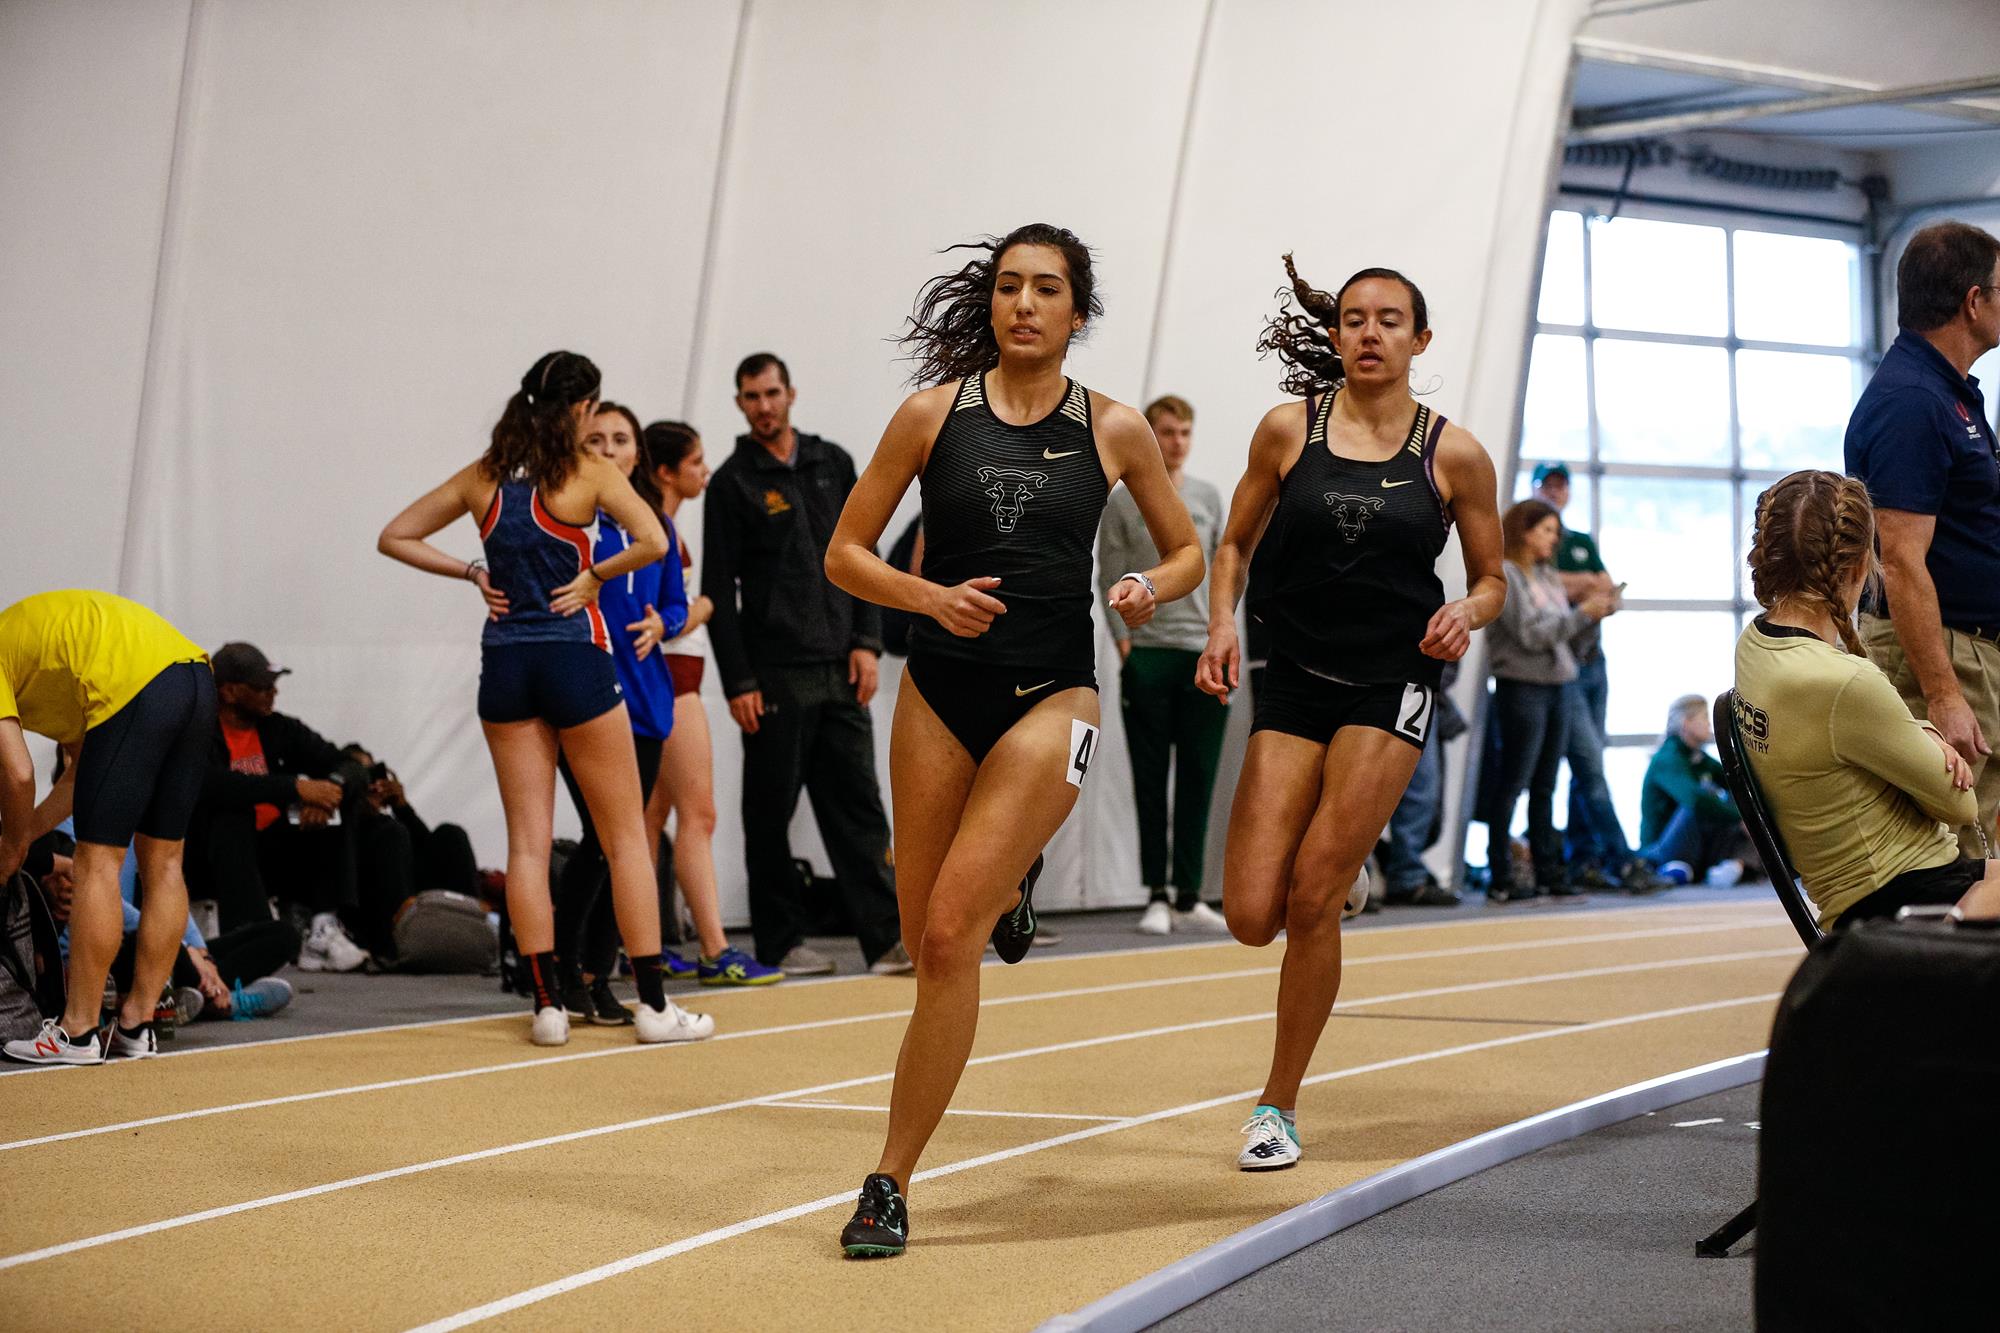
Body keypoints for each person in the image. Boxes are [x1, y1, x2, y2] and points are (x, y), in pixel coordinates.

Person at [824, 223, 1203, 1255]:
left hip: (1054, 693)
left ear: (1077, 313)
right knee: (924, 948)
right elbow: (844, 554)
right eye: (1007, 287)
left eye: (1045, 289)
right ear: (989, 305)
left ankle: (887, 1181)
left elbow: (1185, 554)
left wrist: (1141, 587)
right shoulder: (928, 415)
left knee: (951, 932)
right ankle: (1012, 875)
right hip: (939, 693)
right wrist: (924, 598)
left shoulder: (1115, 429)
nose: (1023, 303)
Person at [1197, 256, 1505, 1170]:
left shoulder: (1453, 453)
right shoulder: (1288, 431)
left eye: (1390, 320)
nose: (1370, 334)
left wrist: (1466, 612)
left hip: (1392, 679)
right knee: (1253, 913)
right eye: (1356, 319)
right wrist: (1221, 622)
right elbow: (1234, 542)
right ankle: (1348, 860)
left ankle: (1276, 1106)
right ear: (1334, 336)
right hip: (1292, 674)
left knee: (1310, 897)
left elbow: (1493, 579)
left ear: (1420, 338)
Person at [377, 349, 712, 1047]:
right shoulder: (587, 473)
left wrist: (472, 569)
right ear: (584, 407)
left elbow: (394, 536)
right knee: (625, 837)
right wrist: (594, 575)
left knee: (527, 843)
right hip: (574, 659)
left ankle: (547, 1007)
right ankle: (654, 1007)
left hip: (505, 664)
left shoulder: (484, 477)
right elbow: (654, 539)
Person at [704, 352, 908, 978]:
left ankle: (886, 942)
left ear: (791, 393)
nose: (763, 406)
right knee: (768, 815)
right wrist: (739, 681)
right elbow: (718, 589)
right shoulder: (731, 482)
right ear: (740, 405)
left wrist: (867, 642)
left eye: (771, 393)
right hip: (773, 676)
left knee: (862, 811)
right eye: (750, 397)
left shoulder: (833, 462)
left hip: (842, 666)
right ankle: (779, 942)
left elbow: (865, 553)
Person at [1734, 469, 2000, 929]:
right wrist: (1930, 734)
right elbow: (1960, 806)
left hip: (1867, 882)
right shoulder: (1844, 681)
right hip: (1893, 894)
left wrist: (1916, 731)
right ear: (1860, 565)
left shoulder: (1754, 645)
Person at [0, 589, 215, 1064]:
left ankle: (77, 1032)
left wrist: (11, 846)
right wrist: (25, 836)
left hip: (139, 682)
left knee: (97, 859)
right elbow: (78, 776)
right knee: (165, 860)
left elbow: (17, 773)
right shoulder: (53, 673)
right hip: (194, 676)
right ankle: (137, 1025)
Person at [1845, 220, 2000, 859]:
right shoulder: (1912, 401)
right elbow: (1901, 563)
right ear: (1973, 301)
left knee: (1987, 850)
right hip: (1943, 656)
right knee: (1956, 851)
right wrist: (1943, 693)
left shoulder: (1949, 394)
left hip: (1972, 651)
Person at [548, 401, 689, 1025]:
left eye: (620, 439)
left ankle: (595, 976)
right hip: (591, 699)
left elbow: (677, 605)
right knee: (605, 842)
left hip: (649, 702)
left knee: (625, 842)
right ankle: (559, 968)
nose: (608, 448)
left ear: (638, 454)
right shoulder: (575, 521)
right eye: (596, 438)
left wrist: (665, 622)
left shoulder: (656, 524)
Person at [642, 420, 783, 986]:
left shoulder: (660, 527)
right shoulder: (655, 530)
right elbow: (657, 618)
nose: (705, 470)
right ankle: (716, 949)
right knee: (698, 815)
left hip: (668, 683)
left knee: (649, 819)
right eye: (696, 461)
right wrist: (700, 608)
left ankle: (640, 948)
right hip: (673, 686)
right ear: (667, 472)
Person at [1098, 394, 1231, 935]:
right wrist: (1126, 646)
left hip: (1201, 655)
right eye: (1166, 432)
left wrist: (1222, 639)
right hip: (1148, 654)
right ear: (1149, 437)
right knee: (1151, 779)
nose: (1175, 442)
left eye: (1184, 432)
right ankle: (1155, 892)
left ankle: (1190, 893)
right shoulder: (1123, 501)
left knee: (1199, 776)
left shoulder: (1207, 496)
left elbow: (1224, 569)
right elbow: (1106, 570)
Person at [188, 642, 370, 969]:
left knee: (331, 810)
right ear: (228, 691)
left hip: (273, 848)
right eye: (261, 687)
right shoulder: (198, 730)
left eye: (274, 685)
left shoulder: (279, 728)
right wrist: (295, 789)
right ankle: (252, 931)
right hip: (211, 853)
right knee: (233, 812)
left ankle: (323, 925)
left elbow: (350, 764)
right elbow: (211, 784)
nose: (273, 693)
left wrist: (331, 790)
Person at [1531, 463, 1662, 894]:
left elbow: (1608, 593)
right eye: (1548, 487)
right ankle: (1622, 861)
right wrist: (1585, 586)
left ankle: (1584, 858)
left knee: (1586, 767)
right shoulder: (1528, 548)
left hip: (1590, 664)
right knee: (1585, 767)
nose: (1556, 494)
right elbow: (1548, 587)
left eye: (1561, 487)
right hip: (1557, 671)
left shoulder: (1581, 542)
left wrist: (1585, 588)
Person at [1639, 695, 1750, 886]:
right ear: (1686, 722)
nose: (1710, 724)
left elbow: (1737, 782)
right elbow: (1695, 801)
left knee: (1740, 798)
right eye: (1705, 718)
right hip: (1661, 848)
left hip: (1695, 843)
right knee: (1697, 803)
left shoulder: (1699, 758)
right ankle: (1675, 867)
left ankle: (1736, 864)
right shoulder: (1667, 758)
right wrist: (1741, 820)